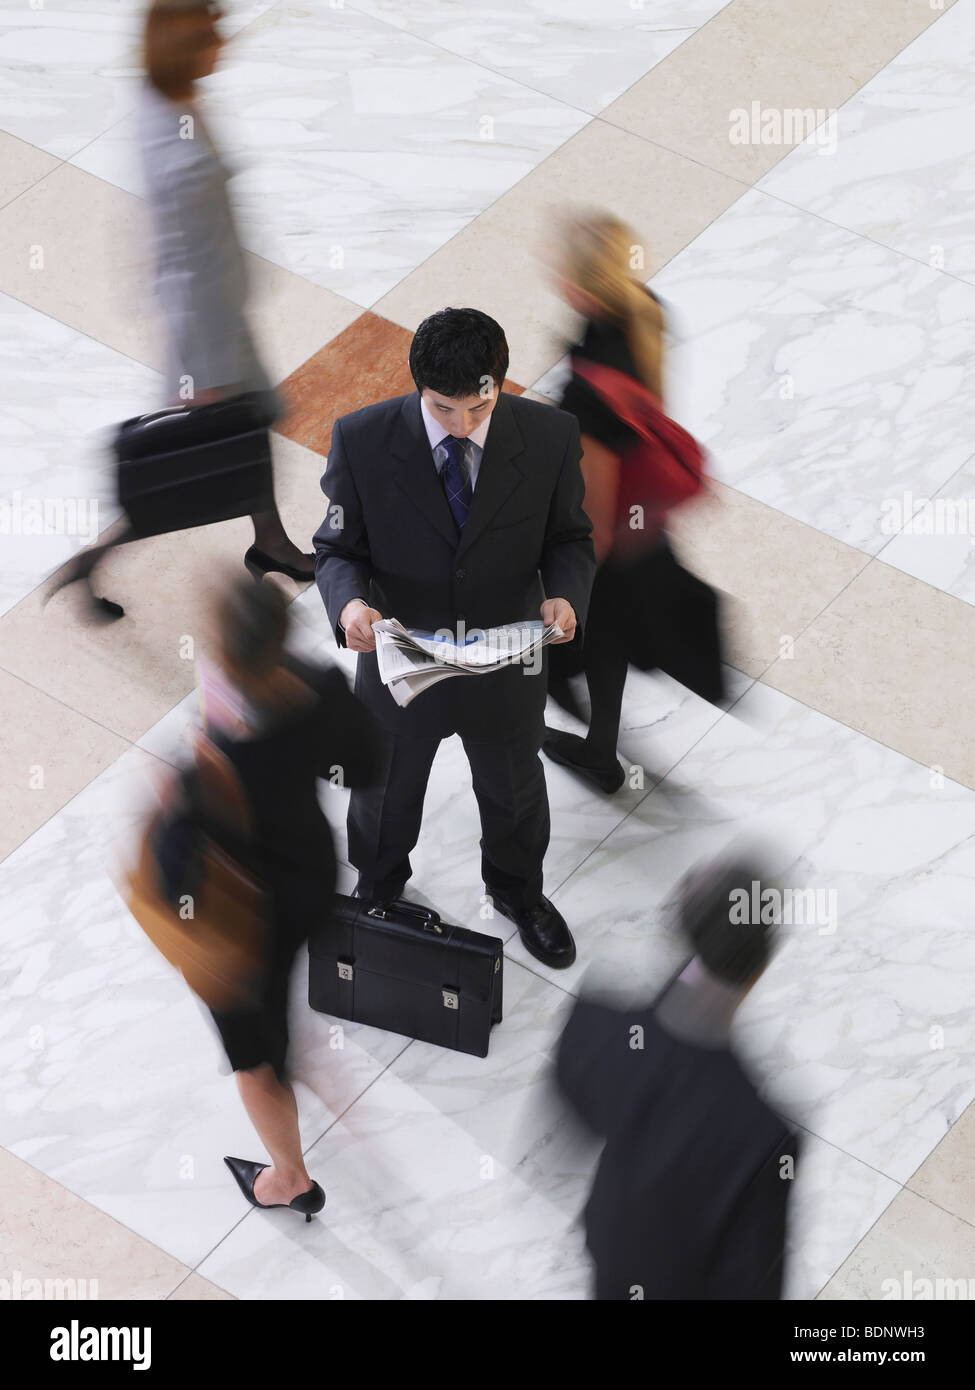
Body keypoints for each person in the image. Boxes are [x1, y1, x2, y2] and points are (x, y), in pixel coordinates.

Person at [313, 307, 595, 970]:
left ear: (500, 381)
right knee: (383, 790)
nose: (462, 425)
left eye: (478, 405)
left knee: (514, 789)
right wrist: (349, 601)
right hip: (401, 659)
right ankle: (379, 884)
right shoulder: (360, 439)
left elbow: (568, 538)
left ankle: (519, 893)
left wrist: (564, 592)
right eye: (443, 409)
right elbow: (334, 547)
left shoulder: (550, 436)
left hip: (504, 661)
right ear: (418, 388)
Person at [48, 0, 312, 621]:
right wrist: (207, 372)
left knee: (250, 432)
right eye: (212, 36)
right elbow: (186, 264)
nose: (225, 43)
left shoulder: (165, 101)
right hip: (208, 333)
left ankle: (272, 543)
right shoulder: (177, 146)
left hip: (215, 317)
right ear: (185, 47)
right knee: (189, 470)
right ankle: (93, 560)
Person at [198, 573, 384, 1219]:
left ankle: (288, 1180)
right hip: (309, 878)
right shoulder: (319, 688)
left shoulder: (219, 737)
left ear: (221, 649)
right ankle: (298, 1054)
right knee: (280, 1000)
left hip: (242, 920)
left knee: (255, 1057)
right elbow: (366, 767)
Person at [554, 855, 800, 1299]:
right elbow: (754, 1282)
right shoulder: (762, 1138)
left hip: (611, 1261)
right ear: (759, 971)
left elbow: (579, 1108)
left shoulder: (596, 1027)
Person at [544, 211, 724, 792]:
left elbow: (593, 515)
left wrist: (566, 580)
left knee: (568, 645)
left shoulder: (588, 386)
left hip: (611, 537)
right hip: (643, 525)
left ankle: (594, 749)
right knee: (611, 639)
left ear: (577, 287)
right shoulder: (647, 310)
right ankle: (600, 749)